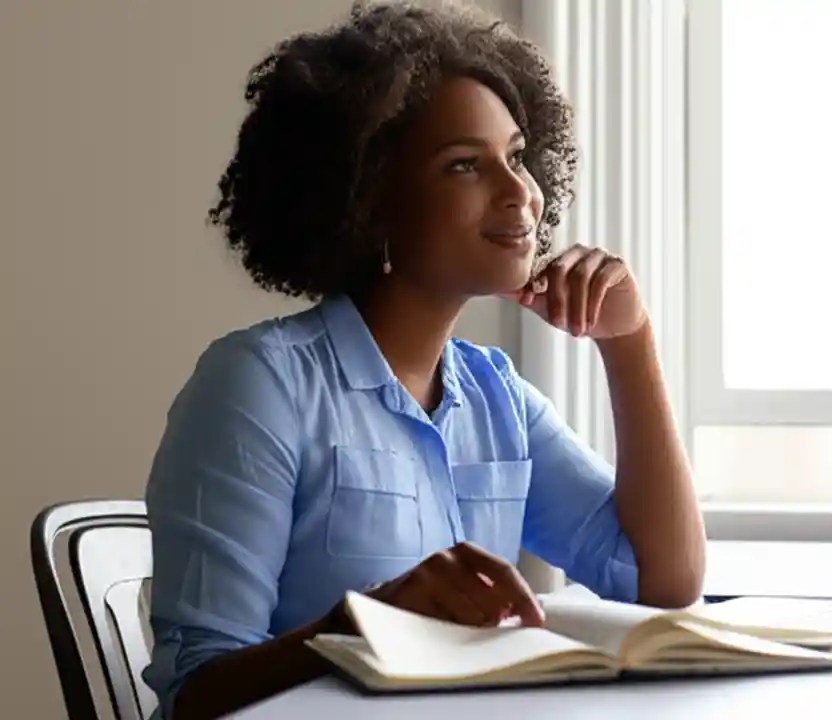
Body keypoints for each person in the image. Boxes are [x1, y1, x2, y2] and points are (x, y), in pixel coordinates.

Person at [141, 3, 706, 717]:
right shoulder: (259, 386)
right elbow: (197, 696)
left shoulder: (497, 396)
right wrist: (370, 622)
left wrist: (628, 342)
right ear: (369, 201)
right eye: (466, 165)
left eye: (518, 155)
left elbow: (663, 581)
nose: (520, 192)